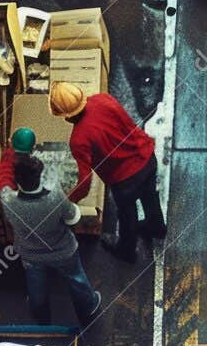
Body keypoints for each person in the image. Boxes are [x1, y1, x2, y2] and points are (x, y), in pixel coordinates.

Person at [48, 83, 165, 262]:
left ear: (64, 115)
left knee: (127, 215)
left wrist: (70, 199)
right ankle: (156, 227)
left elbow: (85, 181)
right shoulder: (103, 99)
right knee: (150, 196)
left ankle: (127, 251)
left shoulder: (78, 139)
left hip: (124, 179)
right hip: (146, 157)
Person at [0, 153, 102, 329]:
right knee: (76, 278)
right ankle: (88, 306)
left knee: (35, 285)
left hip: (30, 254)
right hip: (62, 251)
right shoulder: (54, 197)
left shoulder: (7, 199)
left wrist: (9, 154)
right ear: (39, 176)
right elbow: (72, 218)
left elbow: (2, 180)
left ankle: (41, 317)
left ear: (17, 181)